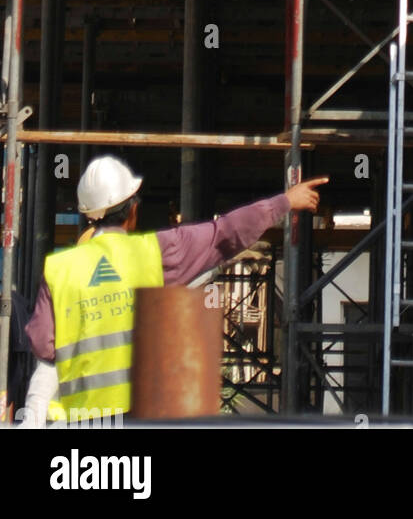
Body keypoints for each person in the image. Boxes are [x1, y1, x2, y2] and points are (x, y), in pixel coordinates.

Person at [24, 155, 327, 421]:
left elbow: (43, 345)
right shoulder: (157, 253)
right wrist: (285, 201)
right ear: (132, 211)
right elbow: (225, 233)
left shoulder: (59, 270)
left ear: (88, 215)